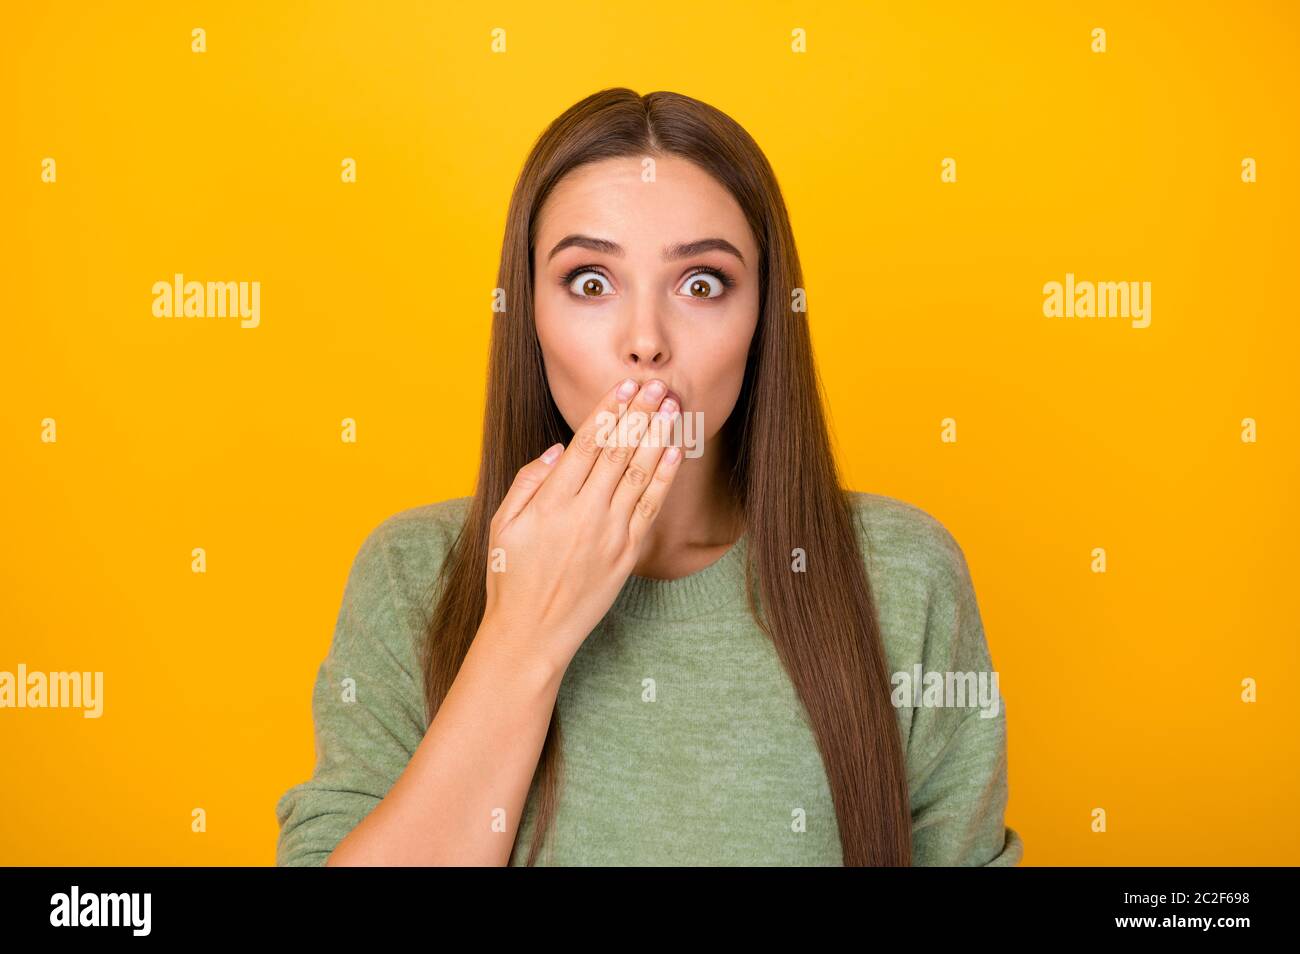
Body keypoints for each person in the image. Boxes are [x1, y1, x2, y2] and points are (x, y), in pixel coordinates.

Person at [275, 87, 1024, 867]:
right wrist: (523, 634)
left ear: (764, 316)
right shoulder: (409, 576)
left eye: (701, 283)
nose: (645, 341)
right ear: (527, 312)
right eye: (590, 282)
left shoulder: (905, 578)